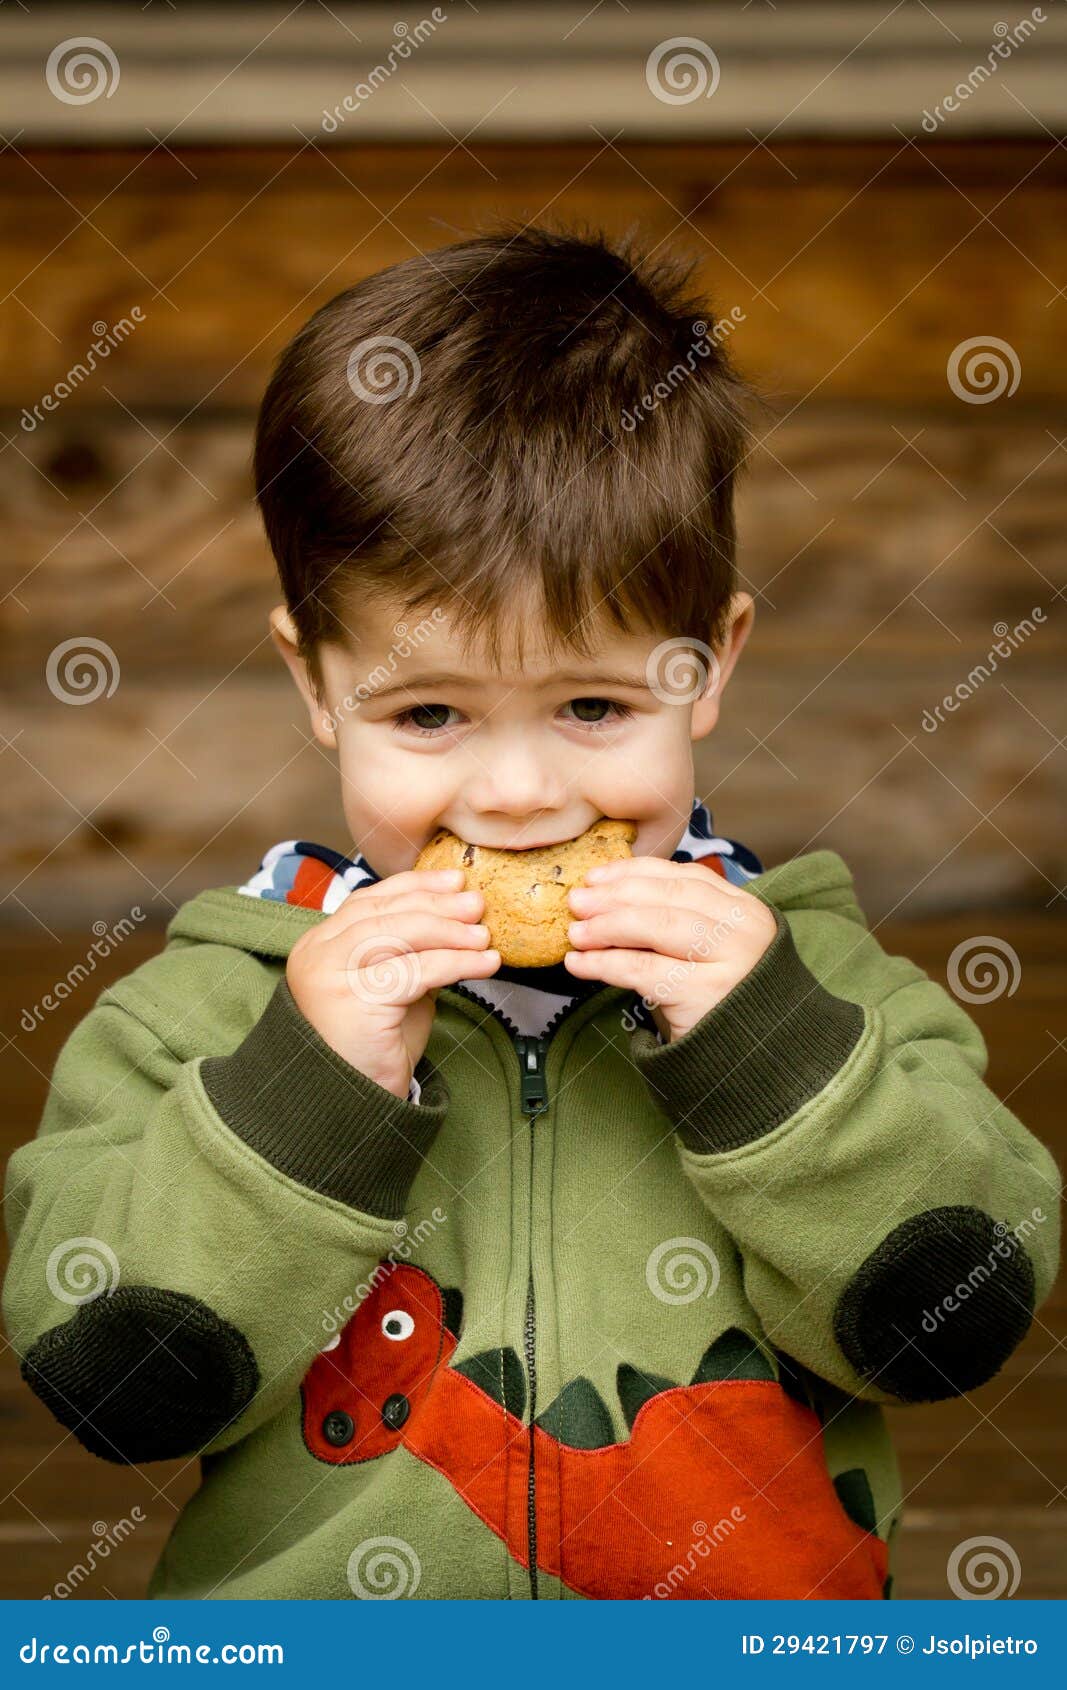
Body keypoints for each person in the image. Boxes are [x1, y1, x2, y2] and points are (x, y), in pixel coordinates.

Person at [3, 225, 1059, 1601]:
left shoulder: (825, 988)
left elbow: (952, 1323)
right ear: (318, 681)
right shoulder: (211, 1010)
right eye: (429, 711)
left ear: (710, 663)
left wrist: (777, 1061)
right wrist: (299, 1098)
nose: (517, 793)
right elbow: (109, 1386)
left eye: (594, 706)